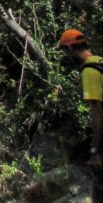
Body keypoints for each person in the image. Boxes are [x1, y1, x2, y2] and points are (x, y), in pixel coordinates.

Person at [58, 28, 103, 202]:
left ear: (70, 49)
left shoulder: (90, 71)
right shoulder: (100, 61)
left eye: (64, 50)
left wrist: (94, 151)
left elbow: (98, 113)